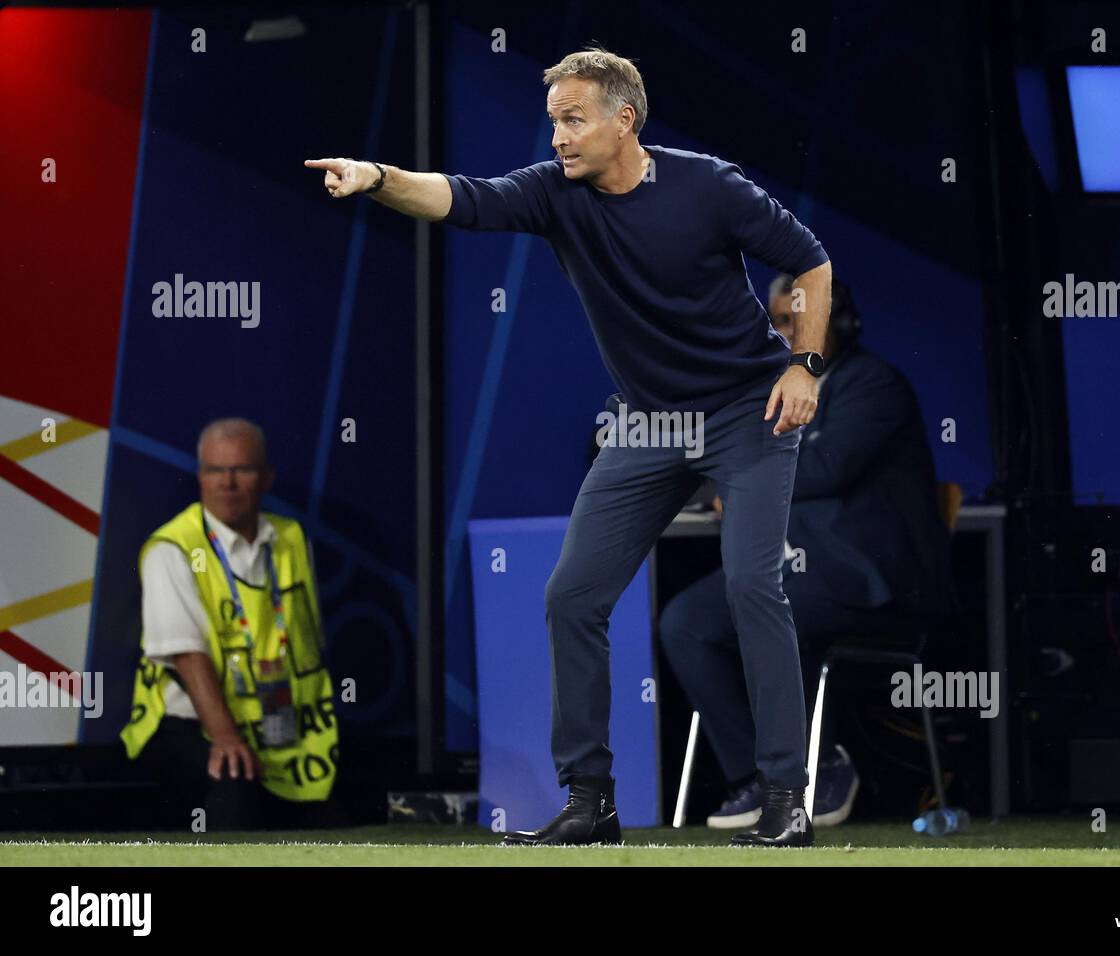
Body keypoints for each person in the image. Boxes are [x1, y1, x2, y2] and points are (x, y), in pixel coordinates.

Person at [307, 47, 832, 846]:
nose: (558, 136)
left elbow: (810, 262)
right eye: (554, 120)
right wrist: (378, 176)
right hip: (647, 425)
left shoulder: (708, 186)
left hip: (743, 413)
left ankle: (787, 797)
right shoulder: (553, 195)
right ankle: (591, 801)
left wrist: (805, 366)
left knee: (753, 587)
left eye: (573, 118)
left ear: (624, 120)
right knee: (571, 597)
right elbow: (461, 199)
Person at [660, 275, 959, 828]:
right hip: (800, 574)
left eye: (798, 319)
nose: (786, 333)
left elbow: (826, 466)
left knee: (777, 611)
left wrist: (737, 481)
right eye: (778, 321)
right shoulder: (766, 393)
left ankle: (815, 770)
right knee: (686, 622)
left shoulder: (873, 384)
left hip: (874, 579)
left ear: (835, 322)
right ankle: (759, 780)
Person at [121, 418, 344, 831]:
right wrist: (225, 737)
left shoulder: (291, 538)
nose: (227, 482)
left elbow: (306, 640)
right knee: (237, 793)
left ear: (266, 478)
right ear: (200, 478)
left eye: (240, 470)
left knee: (329, 814)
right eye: (214, 470)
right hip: (190, 724)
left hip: (277, 721)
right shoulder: (173, 548)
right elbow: (189, 657)